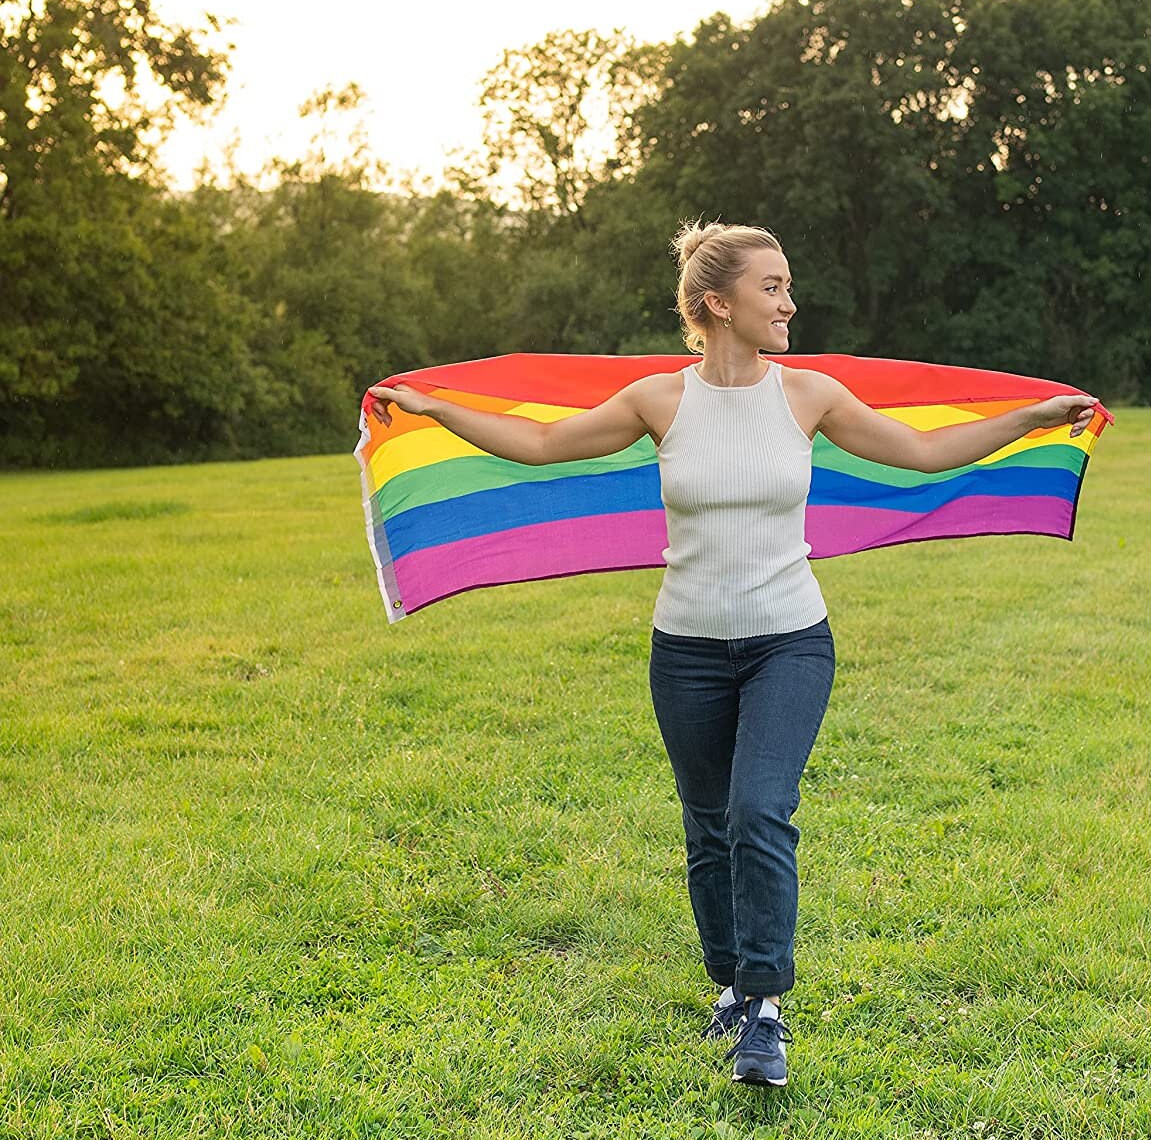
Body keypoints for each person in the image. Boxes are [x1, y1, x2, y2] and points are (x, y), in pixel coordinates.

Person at [368, 219, 1097, 1088]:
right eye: (772, 287)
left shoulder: (809, 396)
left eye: (787, 287)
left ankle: (765, 1009)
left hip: (790, 639)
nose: (790, 302)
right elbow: (542, 446)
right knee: (706, 828)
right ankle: (727, 983)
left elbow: (927, 455)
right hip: (685, 650)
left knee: (758, 810)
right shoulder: (658, 402)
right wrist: (436, 408)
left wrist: (1031, 419)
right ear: (718, 303)